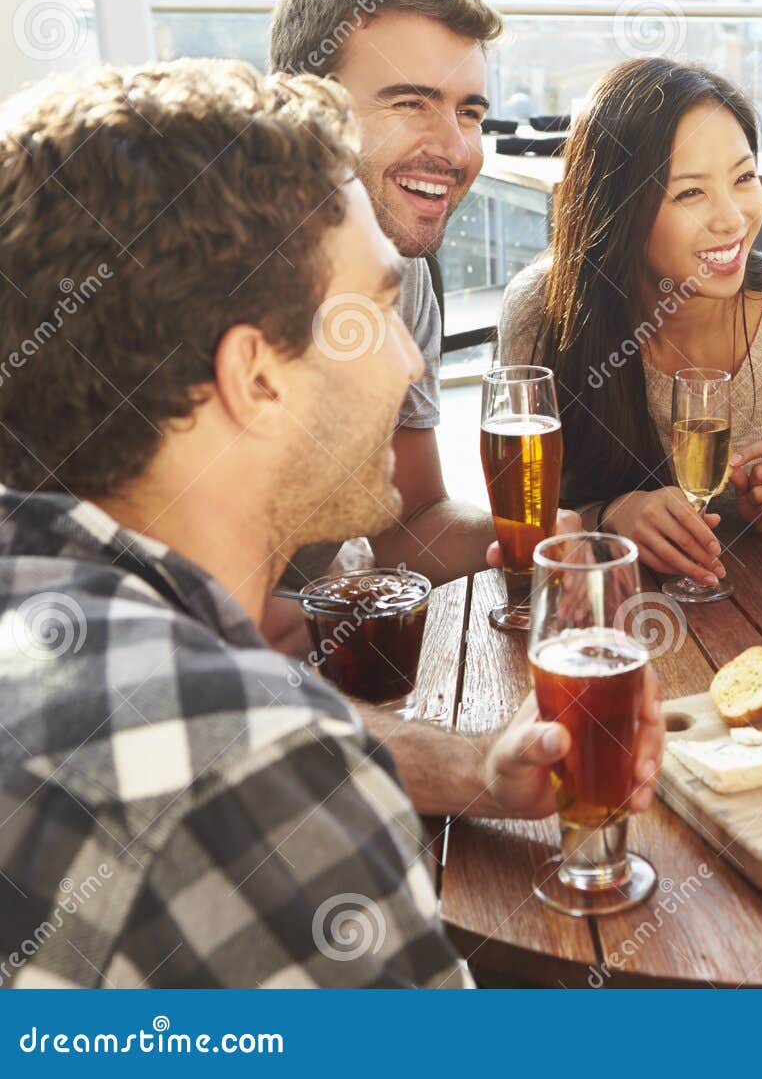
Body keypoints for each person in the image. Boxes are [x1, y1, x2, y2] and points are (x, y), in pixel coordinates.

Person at [0, 61, 661, 986]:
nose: (405, 365)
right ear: (257, 377)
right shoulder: (259, 792)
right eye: (380, 312)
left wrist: (475, 768)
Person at [266, 0, 580, 594]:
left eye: (469, 112)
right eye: (411, 102)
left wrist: (545, 533)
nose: (457, 148)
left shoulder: (401, 280)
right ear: (299, 107)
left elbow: (408, 524)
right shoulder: (187, 279)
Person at [497, 57, 762, 583]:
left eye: (744, 178)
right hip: (599, 627)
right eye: (691, 192)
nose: (733, 218)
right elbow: (521, 514)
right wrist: (609, 518)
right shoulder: (543, 309)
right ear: (617, 206)